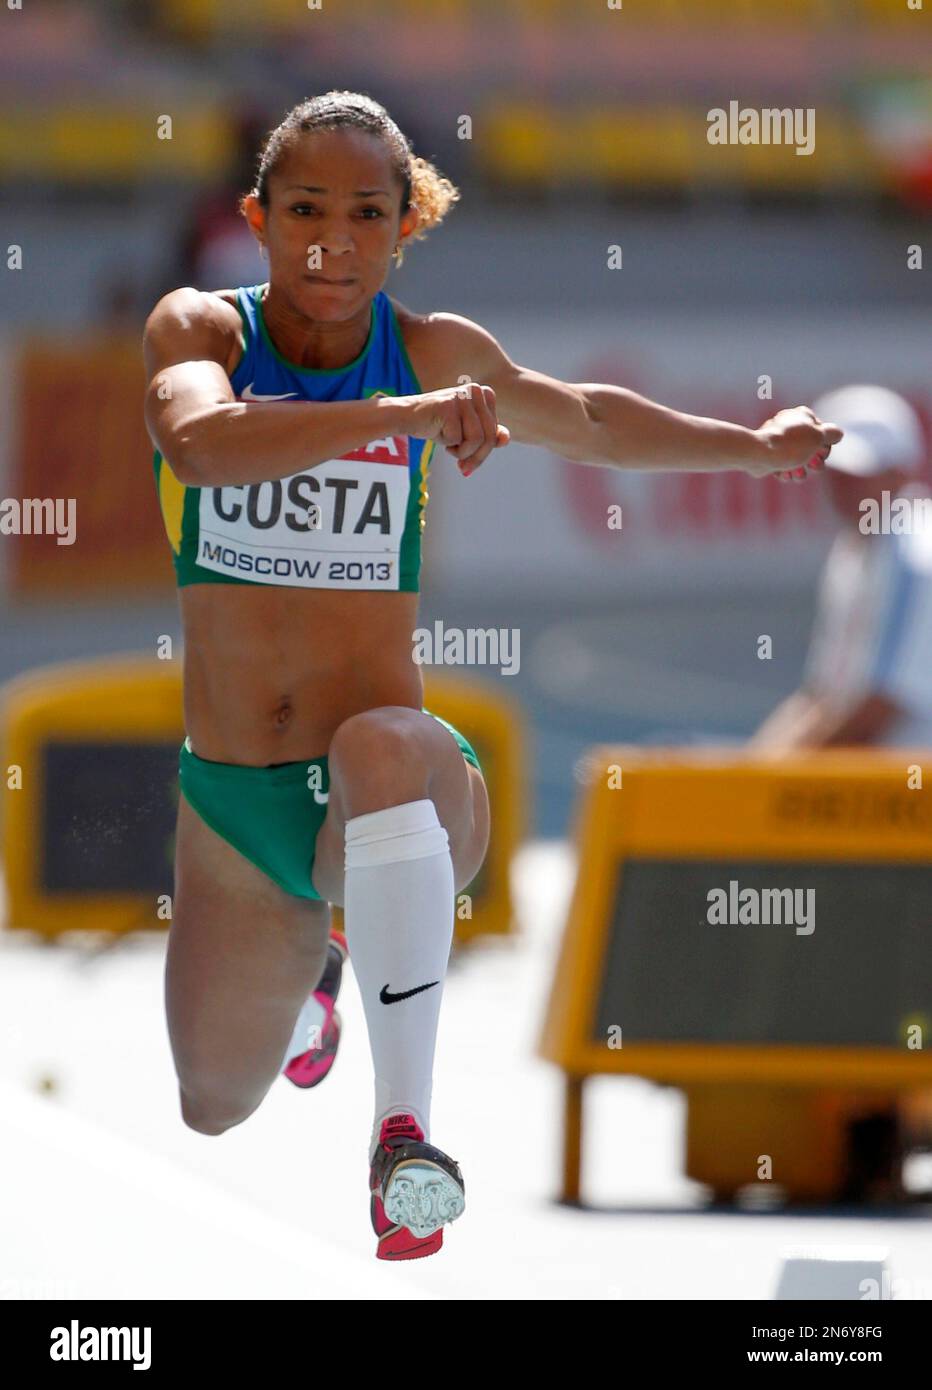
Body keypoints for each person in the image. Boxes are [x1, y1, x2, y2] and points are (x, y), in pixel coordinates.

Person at [143, 89, 840, 1261]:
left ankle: (403, 1134)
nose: (334, 239)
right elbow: (197, 443)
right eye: (305, 208)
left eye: (367, 213)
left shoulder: (437, 351)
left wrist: (755, 449)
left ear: (403, 227)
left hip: (404, 782)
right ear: (258, 219)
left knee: (376, 743)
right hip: (234, 800)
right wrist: (403, 417)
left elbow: (593, 422)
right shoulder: (201, 330)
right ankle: (329, 950)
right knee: (212, 1103)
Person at [749, 385, 932, 752]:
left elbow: (879, 708)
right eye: (836, 471)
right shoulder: (854, 548)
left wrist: (763, 782)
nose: (845, 486)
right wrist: (750, 766)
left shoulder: (917, 558)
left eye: (862, 472)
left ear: (900, 473)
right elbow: (822, 696)